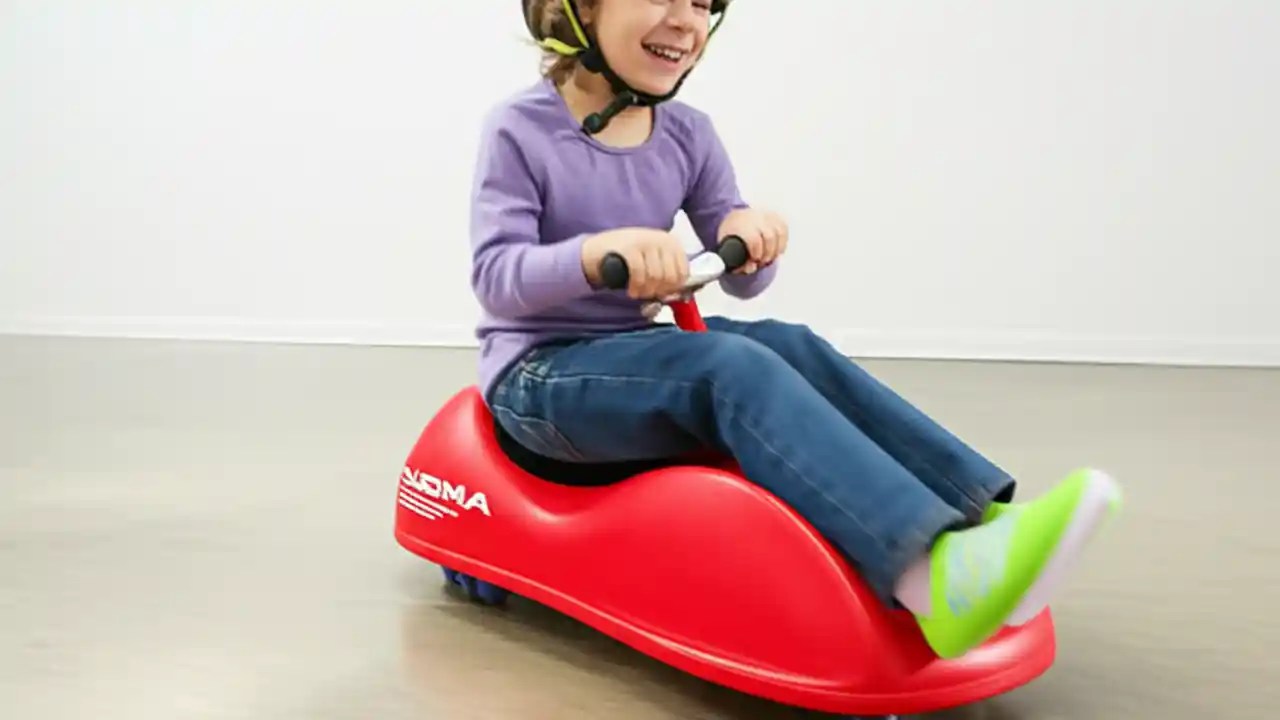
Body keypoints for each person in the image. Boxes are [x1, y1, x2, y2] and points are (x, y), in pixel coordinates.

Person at [469, 0, 1121, 659]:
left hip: (630, 353)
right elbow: (496, 275)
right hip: (539, 376)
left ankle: (983, 520)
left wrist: (749, 238)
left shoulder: (688, 134)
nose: (685, 21)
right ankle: (928, 578)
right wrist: (594, 255)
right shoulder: (521, 129)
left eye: (702, 5)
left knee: (789, 344)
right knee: (729, 370)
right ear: (583, 7)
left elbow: (742, 278)